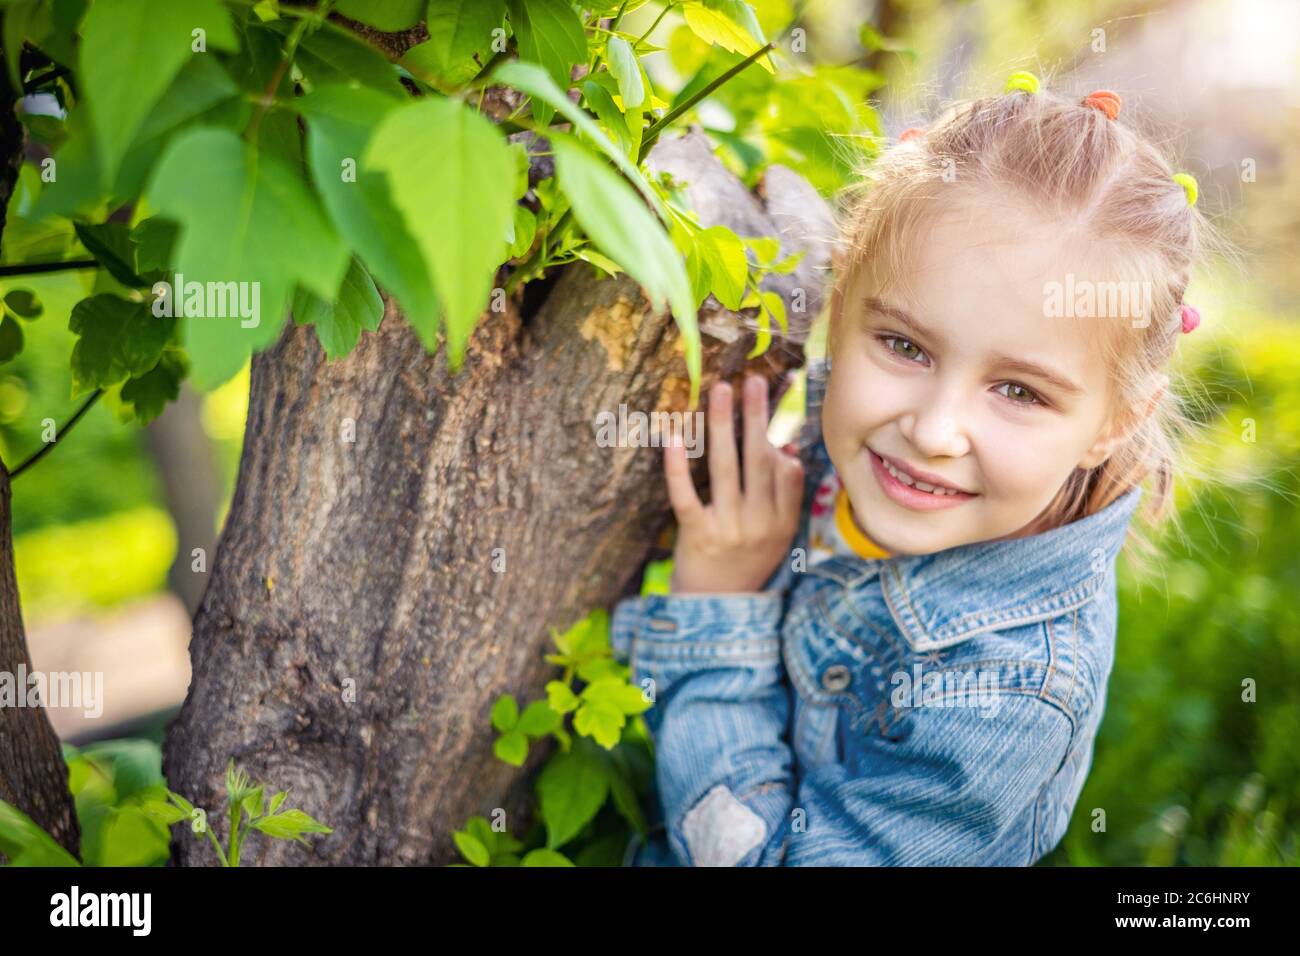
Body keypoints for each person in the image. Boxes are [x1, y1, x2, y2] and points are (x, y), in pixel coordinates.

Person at [611, 74, 1212, 866]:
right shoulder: (865, 434)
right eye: (904, 346)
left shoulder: (1011, 693)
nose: (932, 431)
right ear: (842, 293)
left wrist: (720, 605)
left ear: (1115, 423)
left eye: (1019, 391)